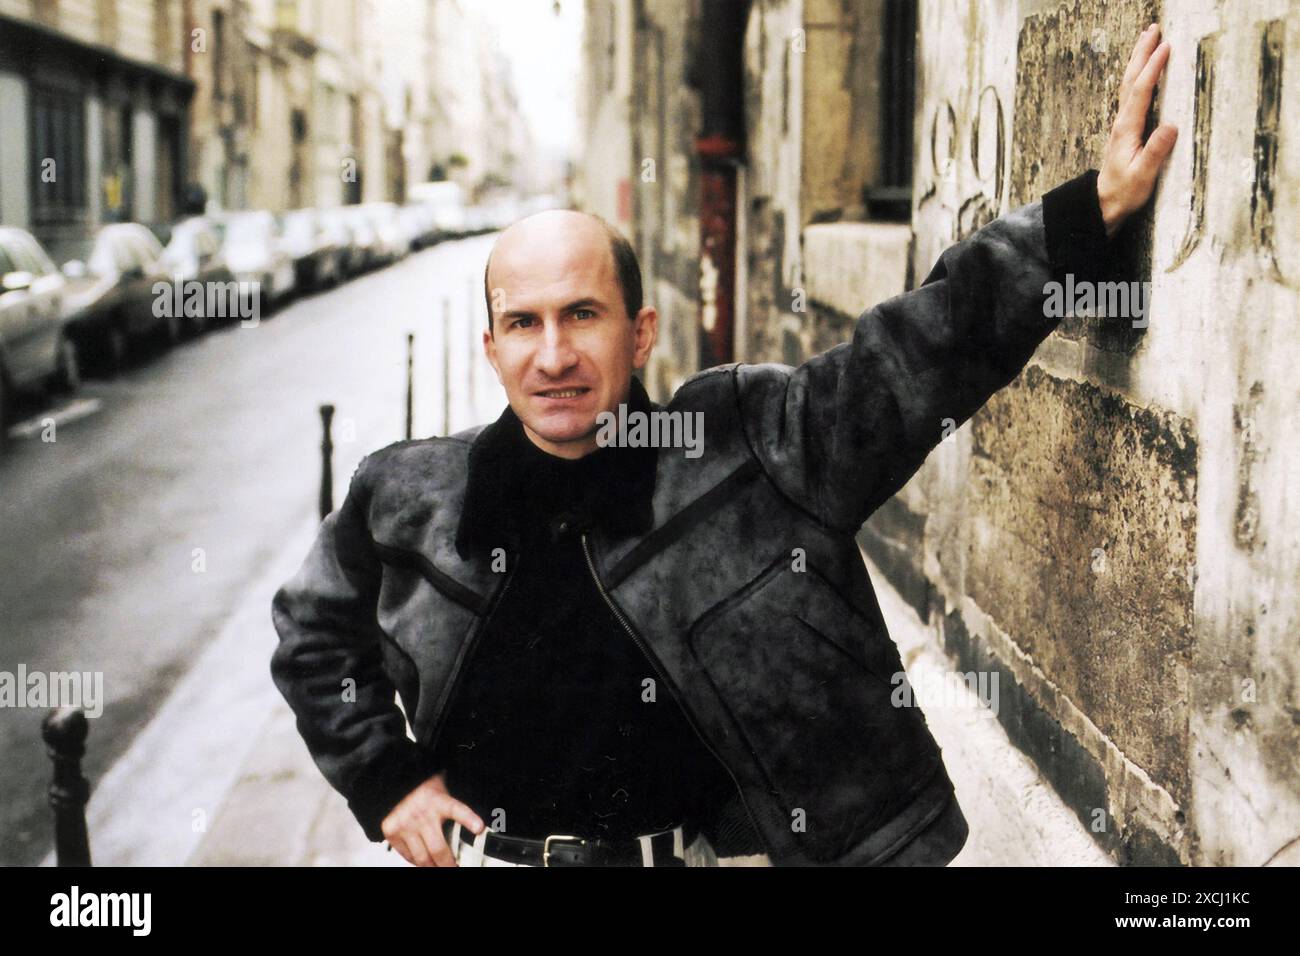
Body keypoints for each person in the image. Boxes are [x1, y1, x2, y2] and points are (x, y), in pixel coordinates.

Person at [270, 25, 1176, 867]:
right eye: (523, 323)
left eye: (582, 315)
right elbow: (313, 633)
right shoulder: (410, 498)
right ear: (491, 348)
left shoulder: (749, 444)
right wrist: (388, 779)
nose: (553, 355)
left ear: (641, 331)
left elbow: (918, 351)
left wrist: (1081, 219)